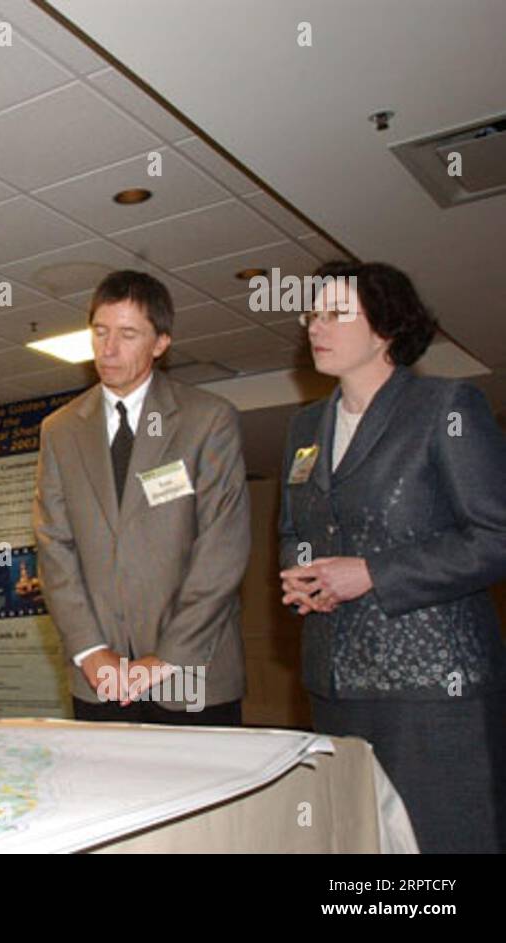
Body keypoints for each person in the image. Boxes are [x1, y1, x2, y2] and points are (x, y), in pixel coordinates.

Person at [278, 261, 506, 853]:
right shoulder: (306, 426)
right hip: (335, 687)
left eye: (336, 314)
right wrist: (303, 574)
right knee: (363, 850)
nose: (315, 326)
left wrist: (373, 574)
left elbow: (495, 536)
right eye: (312, 314)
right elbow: (293, 530)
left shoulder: (444, 406)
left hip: (432, 690)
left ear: (384, 329)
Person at [34, 270, 250, 724]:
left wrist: (165, 659)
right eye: (99, 332)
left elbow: (222, 551)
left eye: (128, 334)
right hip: (99, 680)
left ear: (160, 343)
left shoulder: (208, 421)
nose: (108, 349)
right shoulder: (59, 430)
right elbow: (55, 547)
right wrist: (91, 651)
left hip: (192, 676)